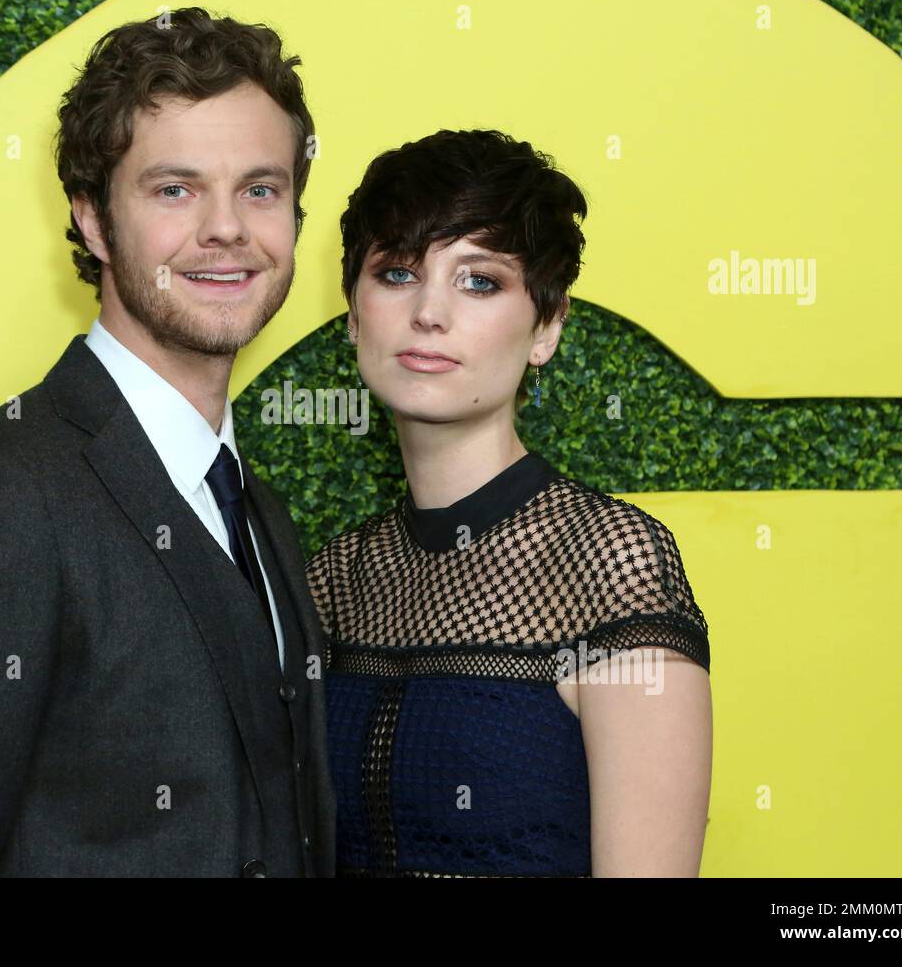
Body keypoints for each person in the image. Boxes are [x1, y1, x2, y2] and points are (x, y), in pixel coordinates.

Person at [0, 7, 335, 877]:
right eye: (174, 189)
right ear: (95, 221)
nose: (227, 229)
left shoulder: (257, 509)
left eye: (260, 188)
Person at [305, 128, 713, 877]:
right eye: (397, 273)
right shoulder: (335, 576)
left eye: (480, 280)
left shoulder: (609, 562)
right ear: (355, 313)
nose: (429, 312)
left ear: (547, 327)